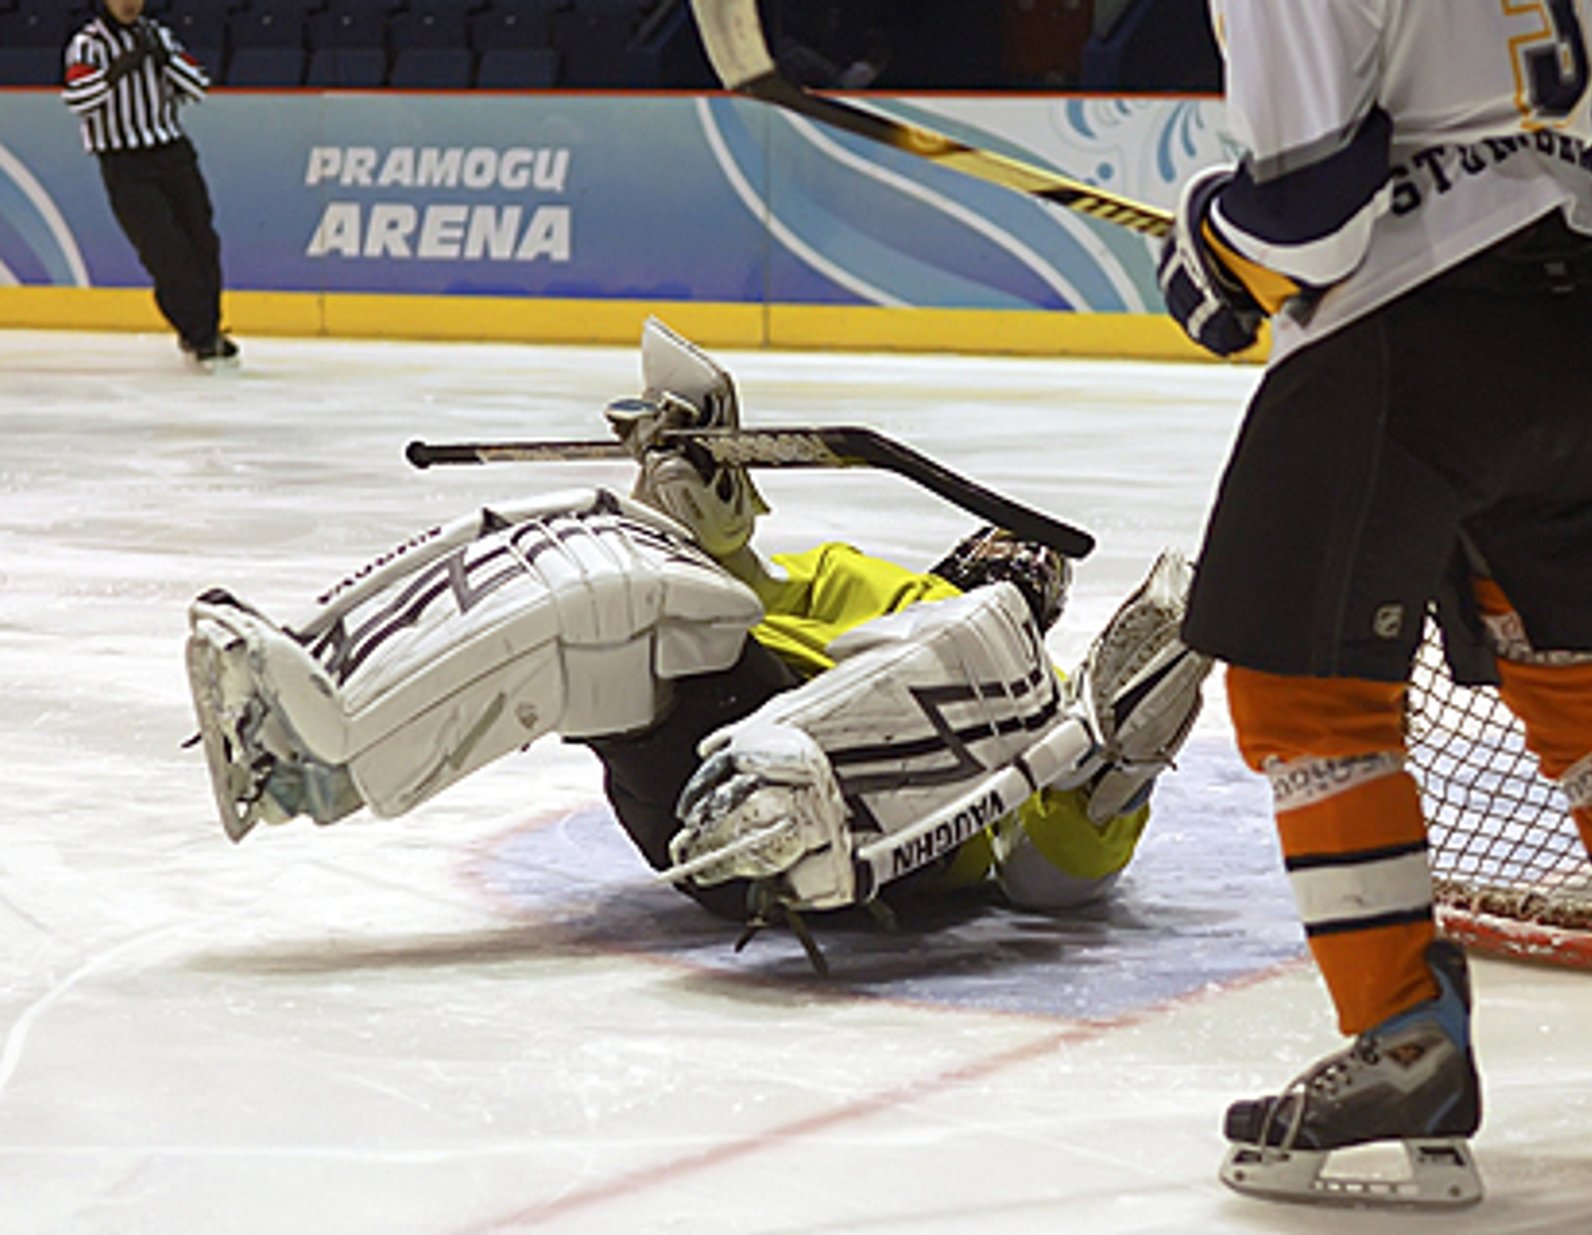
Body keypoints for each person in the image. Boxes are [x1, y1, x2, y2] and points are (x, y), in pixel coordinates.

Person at [1155, 2, 1592, 1209]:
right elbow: (1588, 126)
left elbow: (1312, 218)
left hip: (1407, 347)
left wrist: (1209, 243)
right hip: (1566, 329)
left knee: (1304, 693)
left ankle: (1405, 1041)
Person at [182, 317, 1211, 955]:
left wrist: (1118, 767)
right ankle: (308, 729)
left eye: (1035, 572)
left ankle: (320, 749)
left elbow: (1045, 880)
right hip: (720, 770)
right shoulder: (868, 583)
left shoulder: (1045, 680)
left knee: (628, 605)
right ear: (962, 550)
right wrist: (702, 511)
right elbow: (741, 597)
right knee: (598, 567)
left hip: (857, 847)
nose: (1020, 572)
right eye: (1007, 554)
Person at [62, 0, 237, 371]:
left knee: (202, 243)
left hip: (172, 153)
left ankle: (204, 330)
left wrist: (165, 60)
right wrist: (115, 73)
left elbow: (198, 86)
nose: (129, 3)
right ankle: (201, 335)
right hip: (126, 164)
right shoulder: (87, 45)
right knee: (166, 251)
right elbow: (79, 100)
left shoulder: (158, 35)